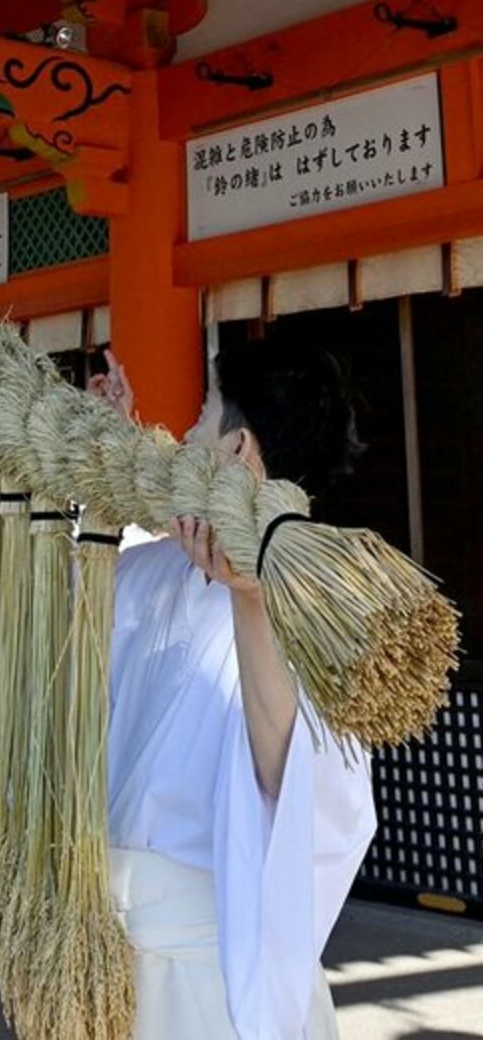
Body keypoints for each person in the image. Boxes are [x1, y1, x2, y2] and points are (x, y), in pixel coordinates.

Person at [92, 340, 378, 1040]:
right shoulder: (156, 568)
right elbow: (80, 600)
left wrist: (251, 599)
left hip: (212, 979)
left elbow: (295, 786)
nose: (184, 433)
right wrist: (99, 463)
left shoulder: (319, 608)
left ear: (239, 446)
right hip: (109, 957)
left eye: (201, 414)